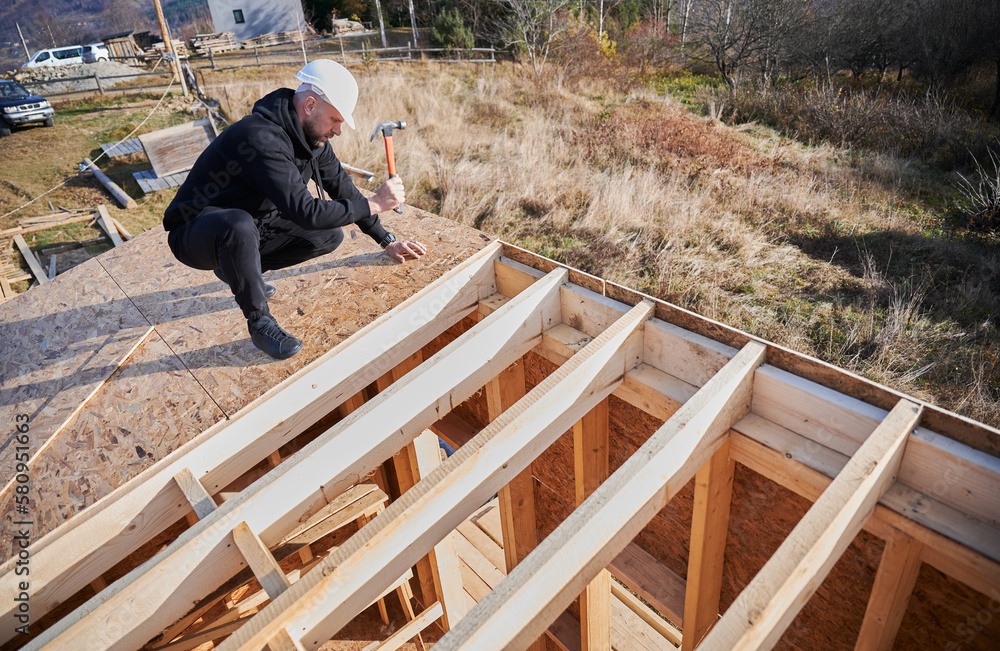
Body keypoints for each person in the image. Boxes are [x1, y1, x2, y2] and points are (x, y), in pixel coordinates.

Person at [162, 59, 426, 360]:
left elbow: (344, 190)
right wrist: (377, 201)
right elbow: (306, 212)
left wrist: (386, 240)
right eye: (335, 120)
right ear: (310, 104)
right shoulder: (260, 138)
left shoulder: (312, 141)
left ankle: (235, 269)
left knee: (328, 235)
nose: (338, 130)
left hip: (250, 223)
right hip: (193, 231)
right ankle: (260, 322)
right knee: (237, 225)